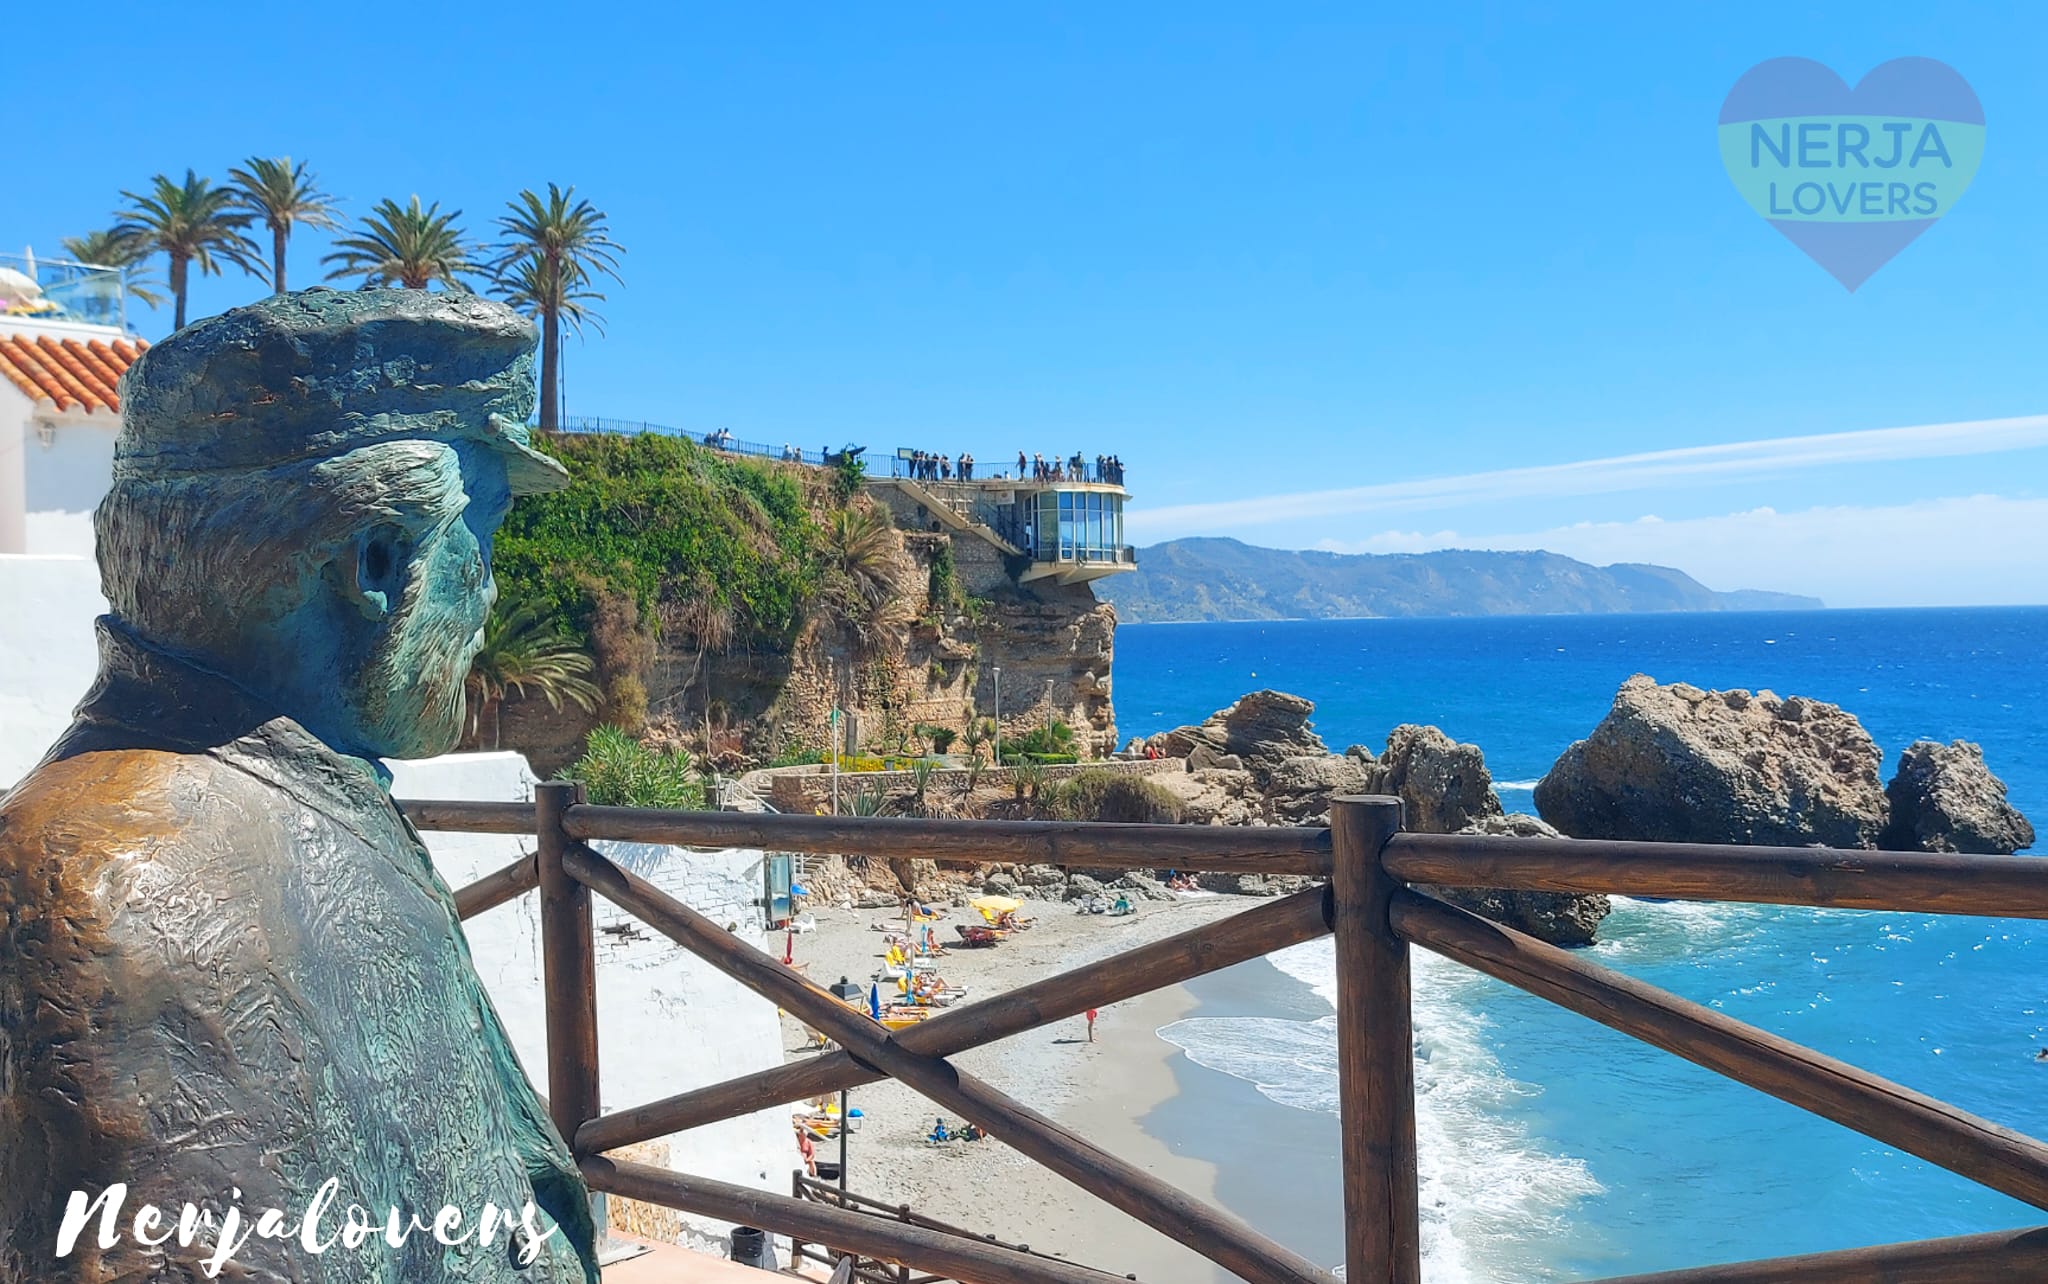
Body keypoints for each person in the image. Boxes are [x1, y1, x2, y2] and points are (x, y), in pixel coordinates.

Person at [0, 289, 599, 1282]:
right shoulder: (108, 885)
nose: (491, 591)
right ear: (372, 563)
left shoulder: (297, 793)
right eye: (482, 541)